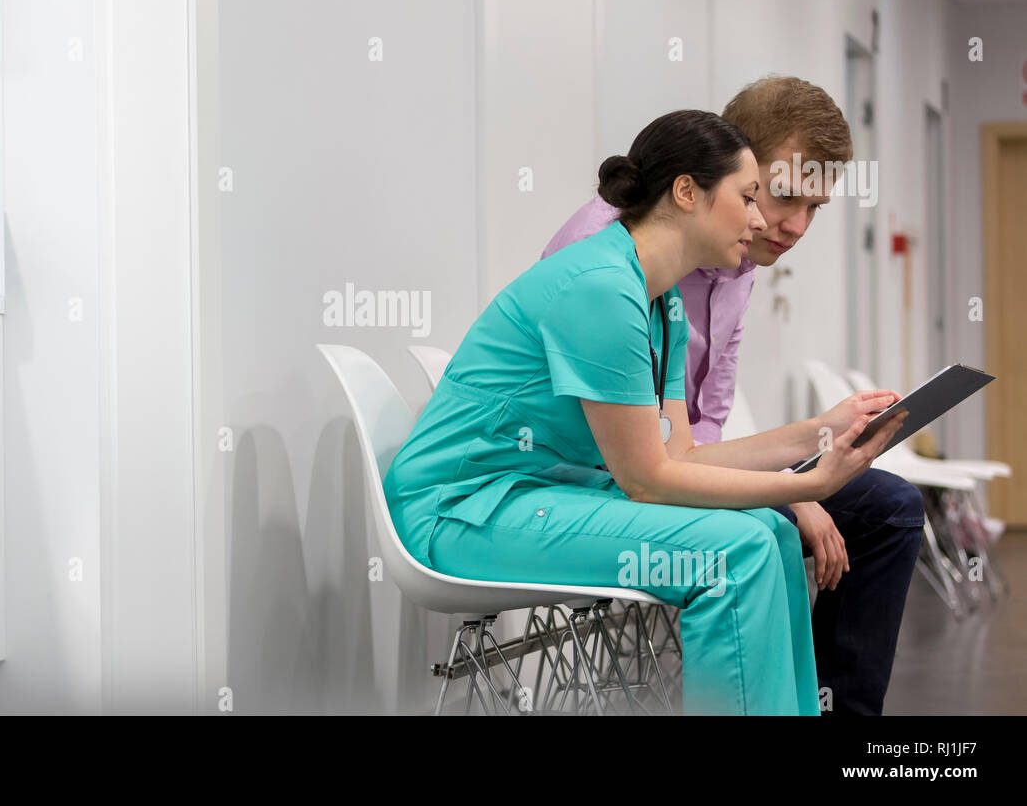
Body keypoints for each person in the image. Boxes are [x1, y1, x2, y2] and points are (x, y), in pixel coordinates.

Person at [382, 109, 906, 716]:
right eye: (749, 198)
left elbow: (680, 456)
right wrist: (811, 482)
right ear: (687, 192)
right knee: (734, 553)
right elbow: (647, 480)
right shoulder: (601, 287)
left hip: (525, 495)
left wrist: (822, 430)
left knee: (770, 533)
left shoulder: (662, 305)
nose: (762, 220)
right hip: (457, 512)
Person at [542, 76, 925, 716]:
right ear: (731, 166)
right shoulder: (615, 261)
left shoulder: (737, 268)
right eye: (779, 196)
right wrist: (794, 491)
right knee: (767, 532)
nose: (795, 226)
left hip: (669, 466)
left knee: (888, 508)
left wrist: (803, 471)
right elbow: (640, 461)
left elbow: (703, 428)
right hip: (602, 479)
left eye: (816, 209)